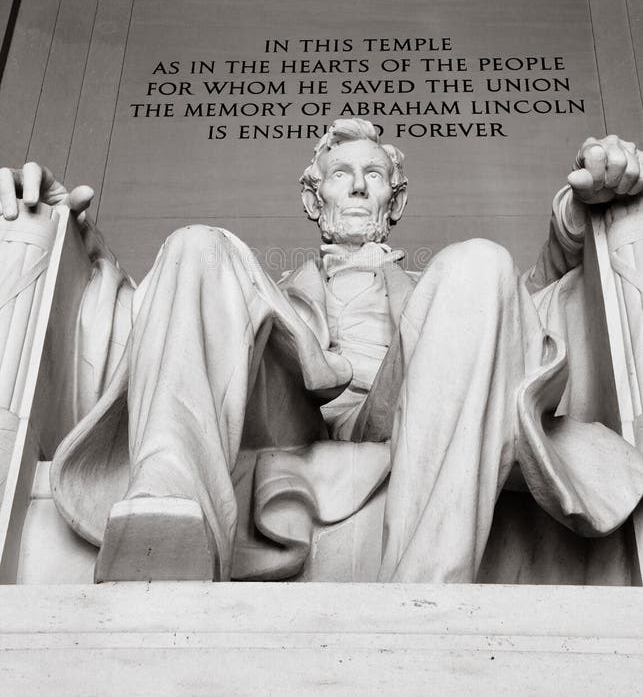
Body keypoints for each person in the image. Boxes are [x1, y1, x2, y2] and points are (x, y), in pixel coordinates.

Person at [2, 121, 643, 584]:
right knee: (198, 244)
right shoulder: (257, 295)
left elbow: (535, 308)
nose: (359, 188)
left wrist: (576, 216)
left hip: (413, 401)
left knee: (481, 261)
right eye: (343, 175)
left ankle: (426, 599)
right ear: (317, 199)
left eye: (374, 176)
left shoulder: (437, 292)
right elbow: (148, 322)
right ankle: (170, 502)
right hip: (292, 402)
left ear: (395, 200)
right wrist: (74, 239)